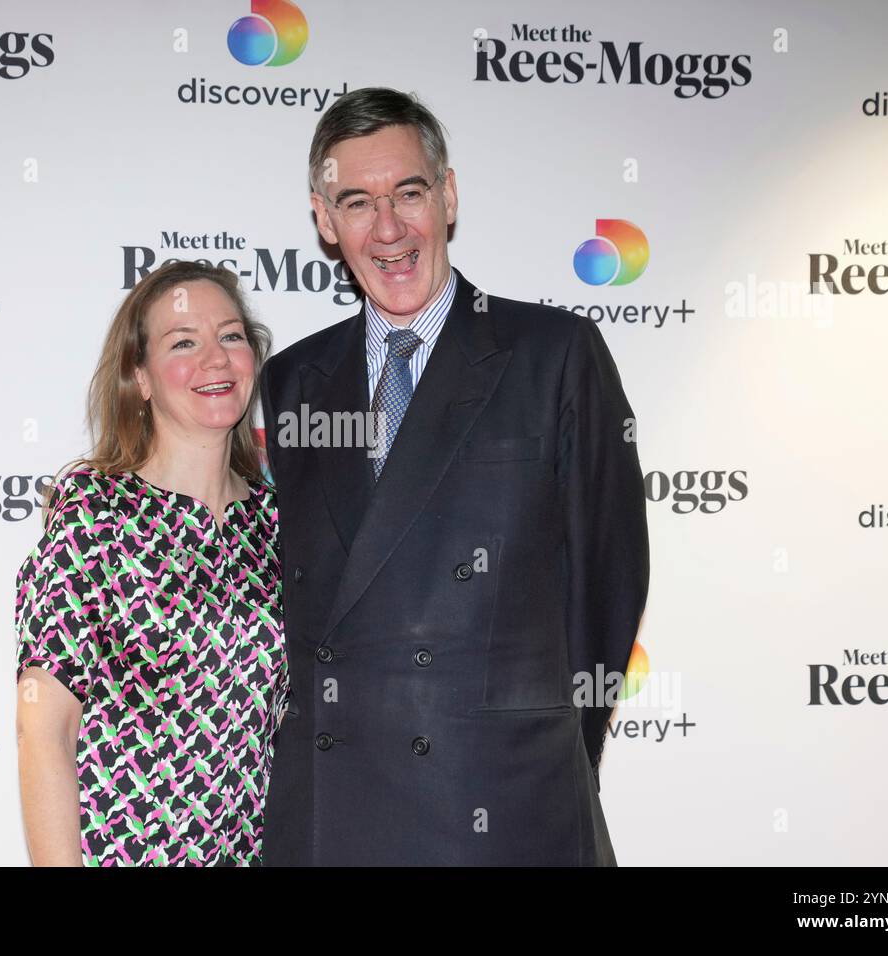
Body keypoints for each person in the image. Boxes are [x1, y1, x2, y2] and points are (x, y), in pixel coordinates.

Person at [258, 87, 650, 865]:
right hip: (335, 814)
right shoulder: (292, 380)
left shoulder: (554, 356)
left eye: (409, 192)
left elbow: (608, 579)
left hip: (504, 801)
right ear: (324, 220)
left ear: (448, 195)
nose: (390, 228)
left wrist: (543, 748)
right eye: (357, 203)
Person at [14, 260, 288, 866]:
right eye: (184, 343)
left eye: (232, 336)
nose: (216, 359)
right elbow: (44, 730)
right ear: (139, 377)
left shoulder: (280, 525)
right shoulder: (95, 516)